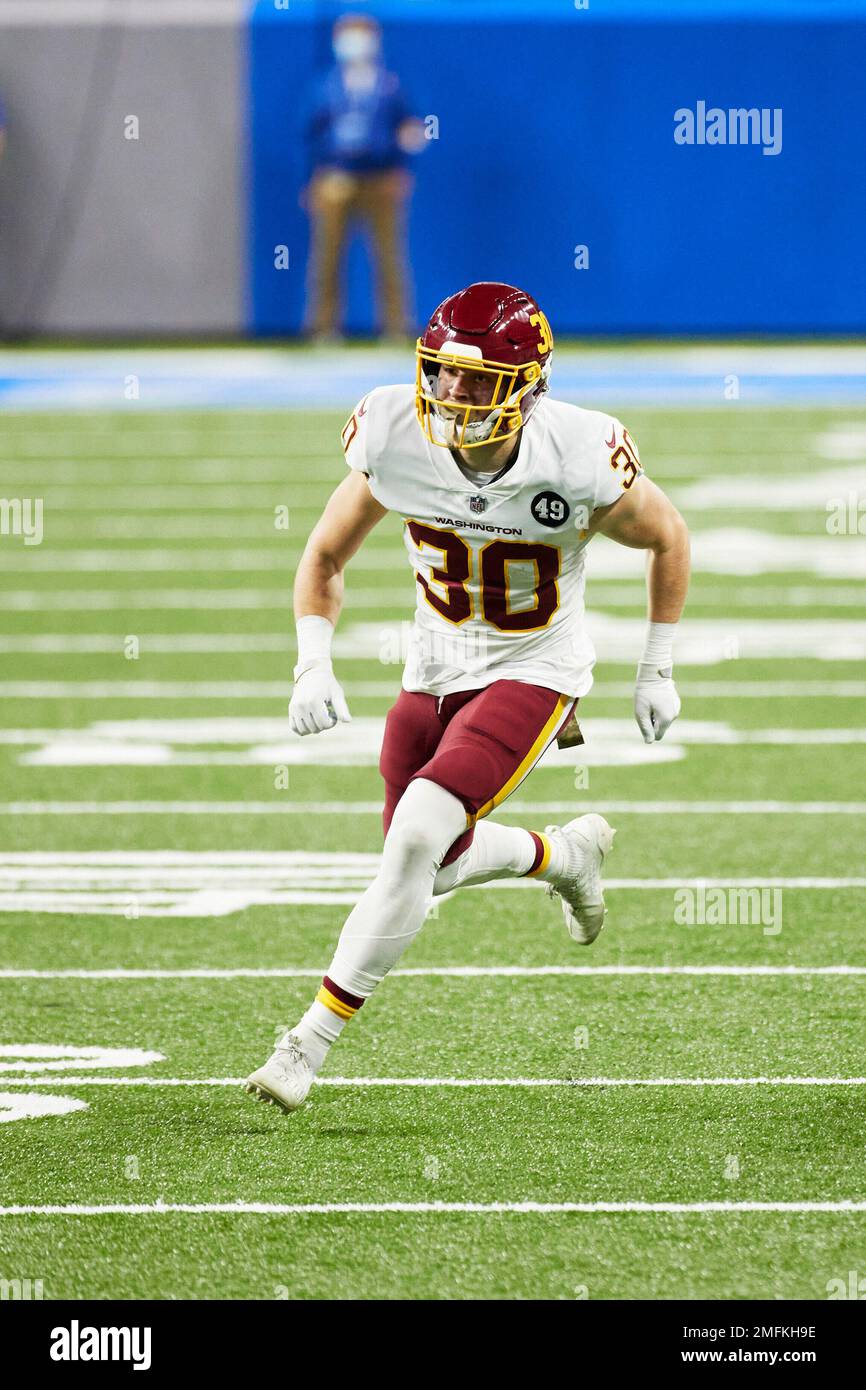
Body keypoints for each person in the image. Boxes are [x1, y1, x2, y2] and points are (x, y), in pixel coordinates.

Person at [247, 281, 690, 1112]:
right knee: (431, 865)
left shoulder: (578, 452)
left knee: (418, 837)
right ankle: (563, 858)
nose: (452, 396)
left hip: (537, 666)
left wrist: (656, 666)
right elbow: (326, 558)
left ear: (526, 388)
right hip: (432, 665)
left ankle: (307, 1043)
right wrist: (313, 660)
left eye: (477, 380)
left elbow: (668, 535)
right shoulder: (392, 432)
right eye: (442, 375)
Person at [303, 13, 424, 341]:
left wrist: (401, 166)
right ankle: (324, 328)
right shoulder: (326, 85)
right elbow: (312, 134)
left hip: (380, 177)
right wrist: (315, 178)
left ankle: (396, 326)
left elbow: (408, 126)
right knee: (328, 257)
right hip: (337, 175)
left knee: (388, 256)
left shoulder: (389, 85)